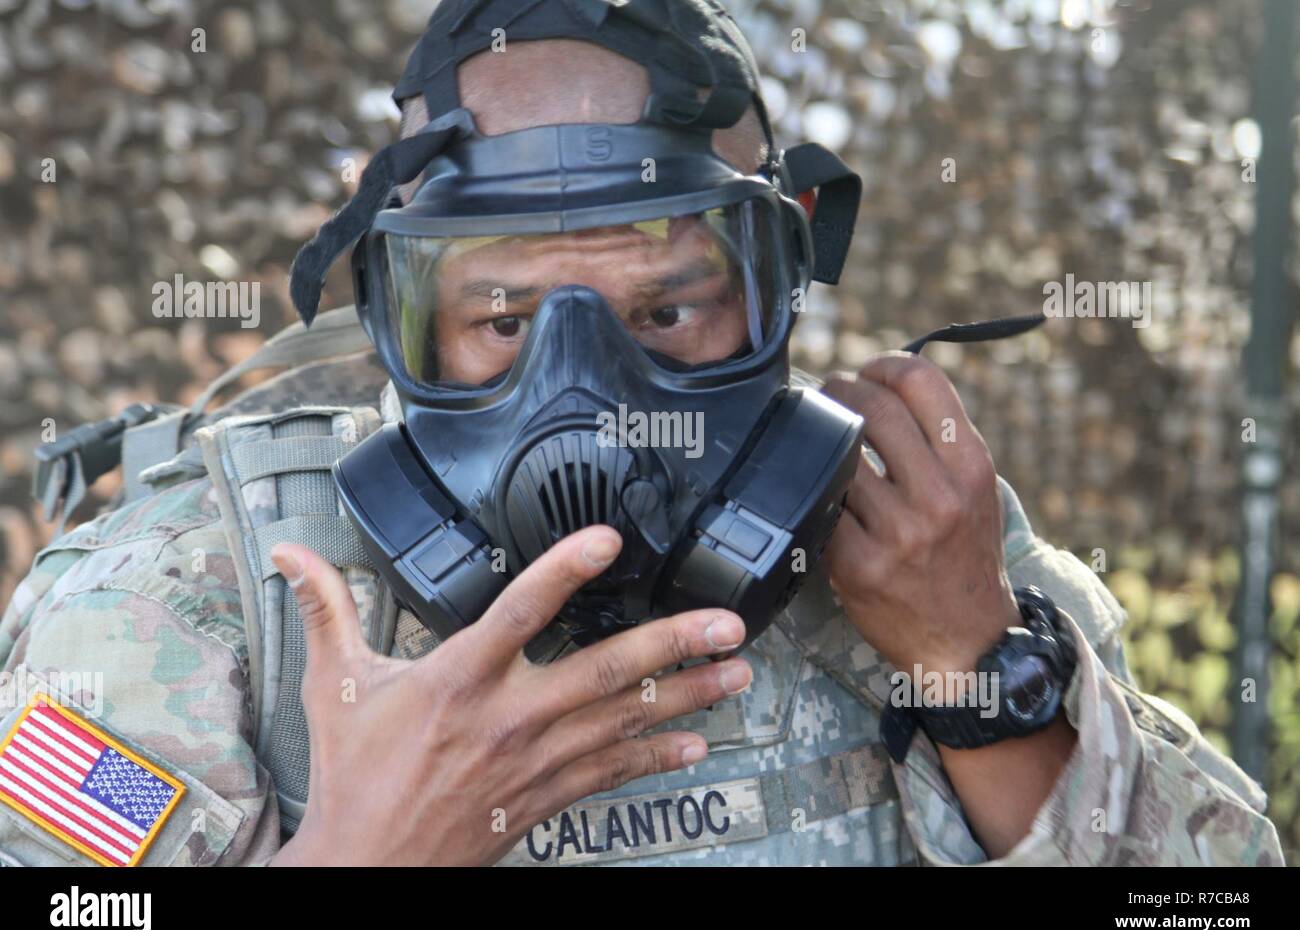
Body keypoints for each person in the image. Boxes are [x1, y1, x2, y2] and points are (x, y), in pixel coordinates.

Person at [0, 0, 1282, 868]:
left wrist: (980, 672)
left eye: (665, 307)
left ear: (775, 286)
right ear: (403, 326)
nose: (584, 391)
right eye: (503, 319)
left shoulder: (915, 551)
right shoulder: (207, 587)